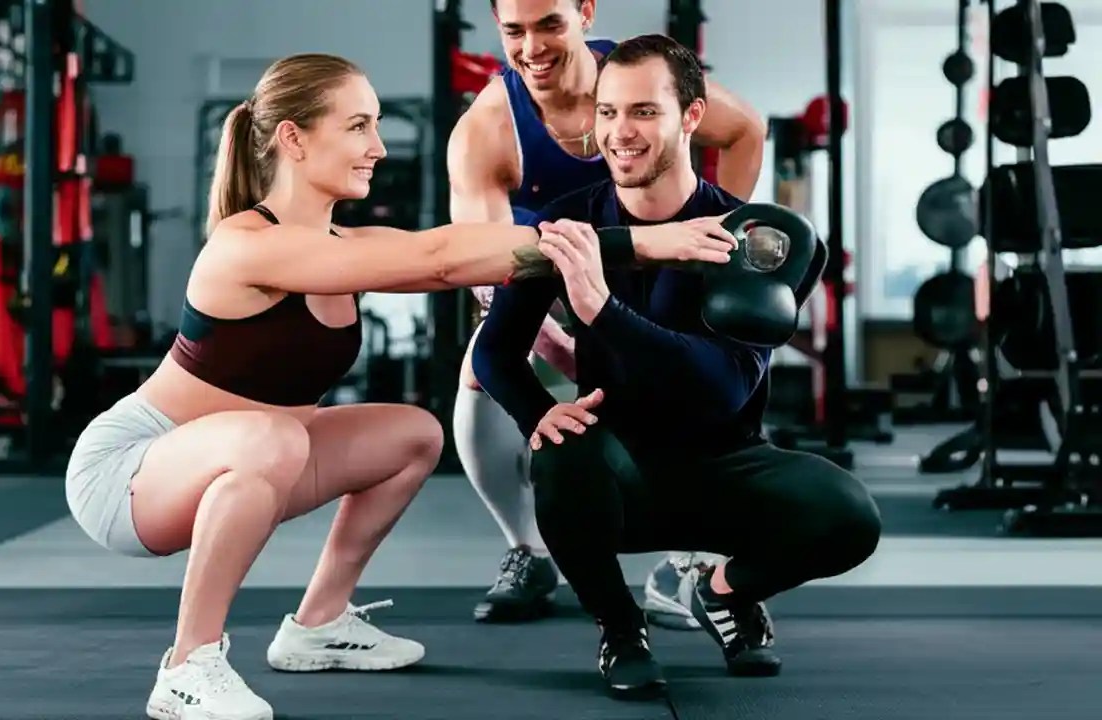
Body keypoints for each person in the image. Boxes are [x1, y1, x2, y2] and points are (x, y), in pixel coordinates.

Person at [64, 52, 739, 720]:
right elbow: (440, 260)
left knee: (411, 435)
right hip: (129, 472)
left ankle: (318, 623)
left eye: (376, 125)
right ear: (293, 139)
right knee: (270, 436)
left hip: (259, 455)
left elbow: (463, 247)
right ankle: (188, 667)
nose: (378, 148)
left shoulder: (341, 242)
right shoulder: (247, 245)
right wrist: (644, 243)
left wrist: (598, 250)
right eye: (358, 126)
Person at [472, 35, 882, 699]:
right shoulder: (569, 223)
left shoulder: (744, 236)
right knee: (560, 450)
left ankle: (722, 595)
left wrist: (601, 312)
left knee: (849, 515)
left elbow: (720, 389)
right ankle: (620, 626)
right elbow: (494, 349)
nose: (619, 132)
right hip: (617, 475)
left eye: (642, 112)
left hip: (724, 469)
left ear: (690, 116)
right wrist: (537, 409)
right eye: (606, 113)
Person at [448, 0, 768, 627]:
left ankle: (690, 558)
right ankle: (526, 548)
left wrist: (723, 236)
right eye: (514, 31)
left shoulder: (638, 75)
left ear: (585, 13)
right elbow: (483, 260)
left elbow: (744, 129)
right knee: (482, 371)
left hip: (663, 257)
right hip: (545, 273)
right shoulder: (488, 127)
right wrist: (548, 340)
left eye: (549, 25)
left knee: (709, 364)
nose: (532, 47)